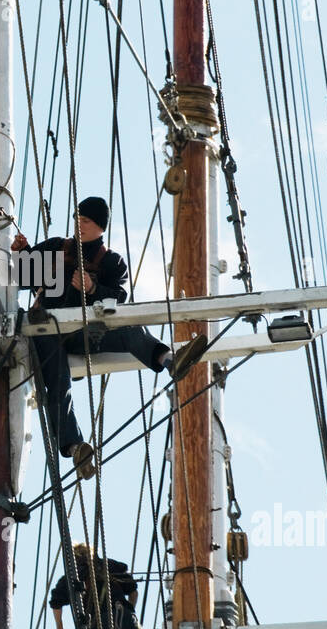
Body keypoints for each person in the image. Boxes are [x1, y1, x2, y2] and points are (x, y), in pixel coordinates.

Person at [11, 195, 206, 479]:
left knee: (128, 327)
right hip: (47, 332)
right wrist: (22, 252)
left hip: (83, 334)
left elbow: (119, 300)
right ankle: (74, 446)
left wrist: (92, 289)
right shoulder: (55, 247)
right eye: (77, 218)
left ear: (100, 226)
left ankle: (169, 360)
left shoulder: (112, 262)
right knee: (57, 381)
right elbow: (22, 276)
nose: (80, 224)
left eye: (87, 220)